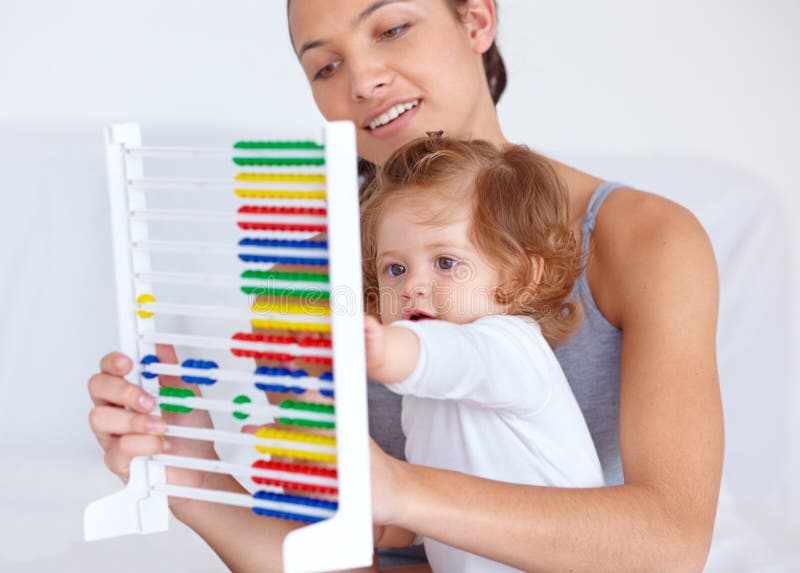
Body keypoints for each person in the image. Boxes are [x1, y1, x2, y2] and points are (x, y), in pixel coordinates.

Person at [88, 0, 724, 570]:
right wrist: (193, 477)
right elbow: (343, 556)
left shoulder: (643, 240)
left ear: (476, 18)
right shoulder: (301, 283)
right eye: (326, 67)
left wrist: (400, 489)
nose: (363, 81)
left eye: (391, 29)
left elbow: (669, 547)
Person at [361, 134, 605, 571]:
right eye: (395, 269)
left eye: (445, 263)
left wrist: (374, 347)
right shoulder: (423, 395)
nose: (412, 285)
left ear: (518, 278)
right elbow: (450, 491)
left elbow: (450, 357)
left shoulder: (509, 347)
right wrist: (399, 527)